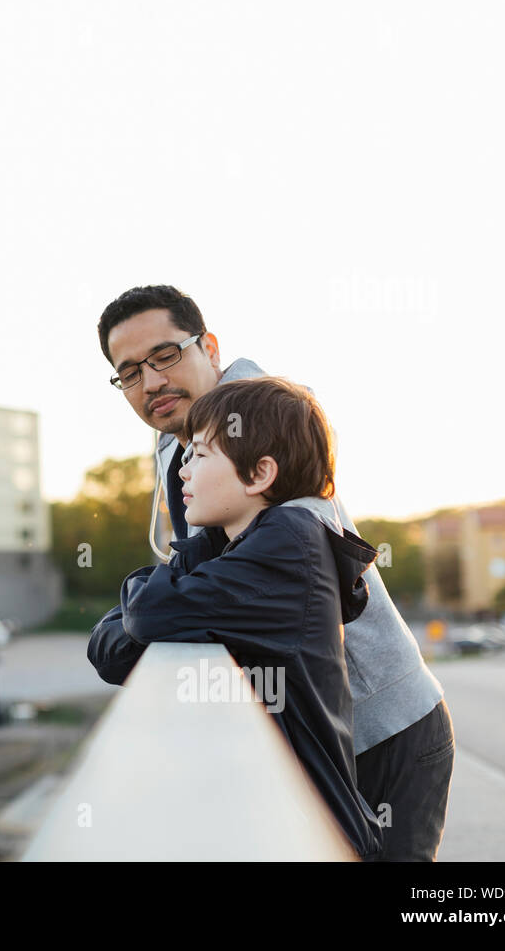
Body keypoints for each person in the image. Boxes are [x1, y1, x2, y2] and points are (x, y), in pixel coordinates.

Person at [90, 284, 454, 861]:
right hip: (303, 738)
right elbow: (174, 593)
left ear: (209, 348)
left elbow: (176, 596)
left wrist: (150, 605)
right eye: (129, 371)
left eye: (165, 356)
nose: (152, 381)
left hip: (382, 725)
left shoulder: (263, 428)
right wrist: (143, 612)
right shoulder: (177, 444)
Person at [89, 376, 385, 858]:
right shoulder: (231, 546)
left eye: (201, 455)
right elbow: (109, 654)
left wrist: (142, 590)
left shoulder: (288, 541)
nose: (183, 470)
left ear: (259, 474)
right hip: (285, 823)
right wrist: (171, 579)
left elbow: (147, 615)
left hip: (314, 836)